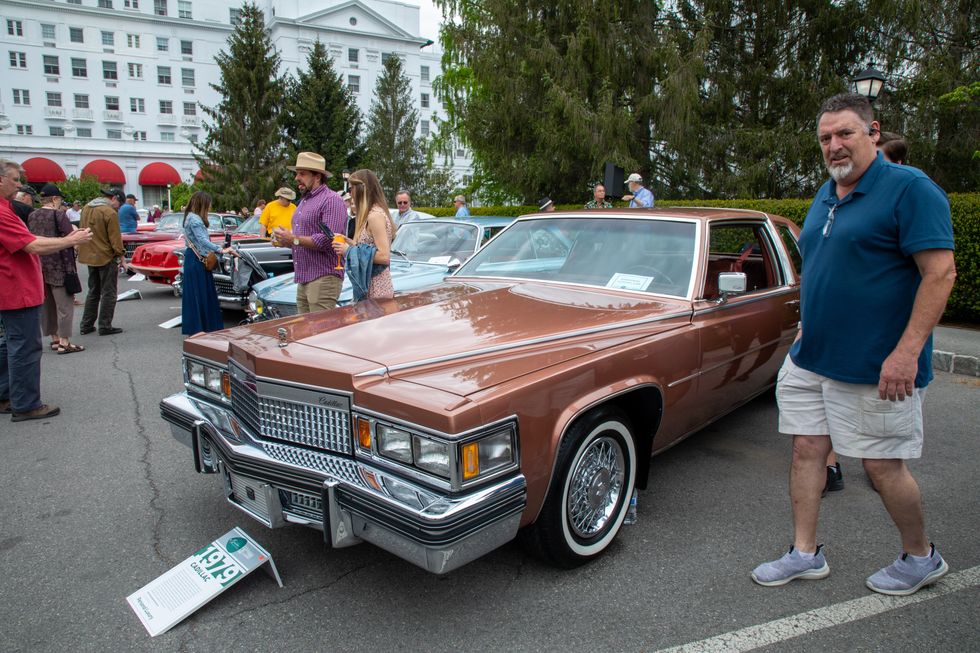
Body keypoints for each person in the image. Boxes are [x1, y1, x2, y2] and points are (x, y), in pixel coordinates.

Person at [751, 93, 956, 596]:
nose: (834, 145)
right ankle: (805, 553)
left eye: (845, 133)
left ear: (873, 132)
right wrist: (808, 322)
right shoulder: (827, 192)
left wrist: (906, 353)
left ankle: (921, 556)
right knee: (806, 450)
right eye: (825, 137)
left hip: (876, 364)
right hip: (812, 357)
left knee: (882, 465)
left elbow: (940, 273)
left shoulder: (910, 190)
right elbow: (824, 265)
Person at [0, 159, 92, 422]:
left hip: (18, 287)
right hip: (17, 290)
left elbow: (30, 240)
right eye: (15, 180)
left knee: (10, 345)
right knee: (25, 348)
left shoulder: (11, 210)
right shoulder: (3, 213)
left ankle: (7, 395)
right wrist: (70, 240)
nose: (20, 185)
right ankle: (26, 404)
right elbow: (31, 245)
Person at [272, 152, 348, 313]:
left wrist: (293, 239)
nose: (296, 178)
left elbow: (329, 240)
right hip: (305, 277)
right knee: (305, 327)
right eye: (296, 173)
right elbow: (301, 238)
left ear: (317, 176)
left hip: (323, 277)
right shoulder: (305, 201)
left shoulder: (331, 200)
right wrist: (285, 240)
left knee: (320, 328)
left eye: (302, 174)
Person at [27, 183, 84, 354]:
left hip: (40, 265)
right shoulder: (59, 215)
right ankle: (64, 342)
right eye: (59, 199)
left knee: (48, 305)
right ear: (54, 199)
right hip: (60, 265)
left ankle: (54, 338)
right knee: (64, 305)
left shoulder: (32, 215)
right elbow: (70, 239)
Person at [332, 169, 395, 301]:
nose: (350, 194)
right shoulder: (371, 214)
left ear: (361, 189)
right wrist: (348, 241)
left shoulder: (374, 216)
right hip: (371, 283)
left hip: (376, 286)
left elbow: (384, 256)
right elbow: (368, 246)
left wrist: (348, 250)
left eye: (351, 189)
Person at [181, 191, 236, 336]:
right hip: (197, 260)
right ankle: (203, 327)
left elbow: (199, 241)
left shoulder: (189, 217)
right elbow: (202, 240)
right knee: (201, 294)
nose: (210, 207)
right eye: (209, 204)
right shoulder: (195, 220)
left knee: (196, 294)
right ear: (203, 204)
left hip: (193, 258)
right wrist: (221, 249)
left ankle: (198, 327)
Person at [77, 188, 126, 336]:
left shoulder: (86, 208)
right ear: (114, 198)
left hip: (89, 255)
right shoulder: (109, 212)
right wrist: (121, 256)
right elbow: (115, 238)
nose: (118, 208)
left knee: (93, 291)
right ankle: (105, 325)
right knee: (109, 293)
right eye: (119, 205)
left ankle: (86, 324)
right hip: (105, 256)